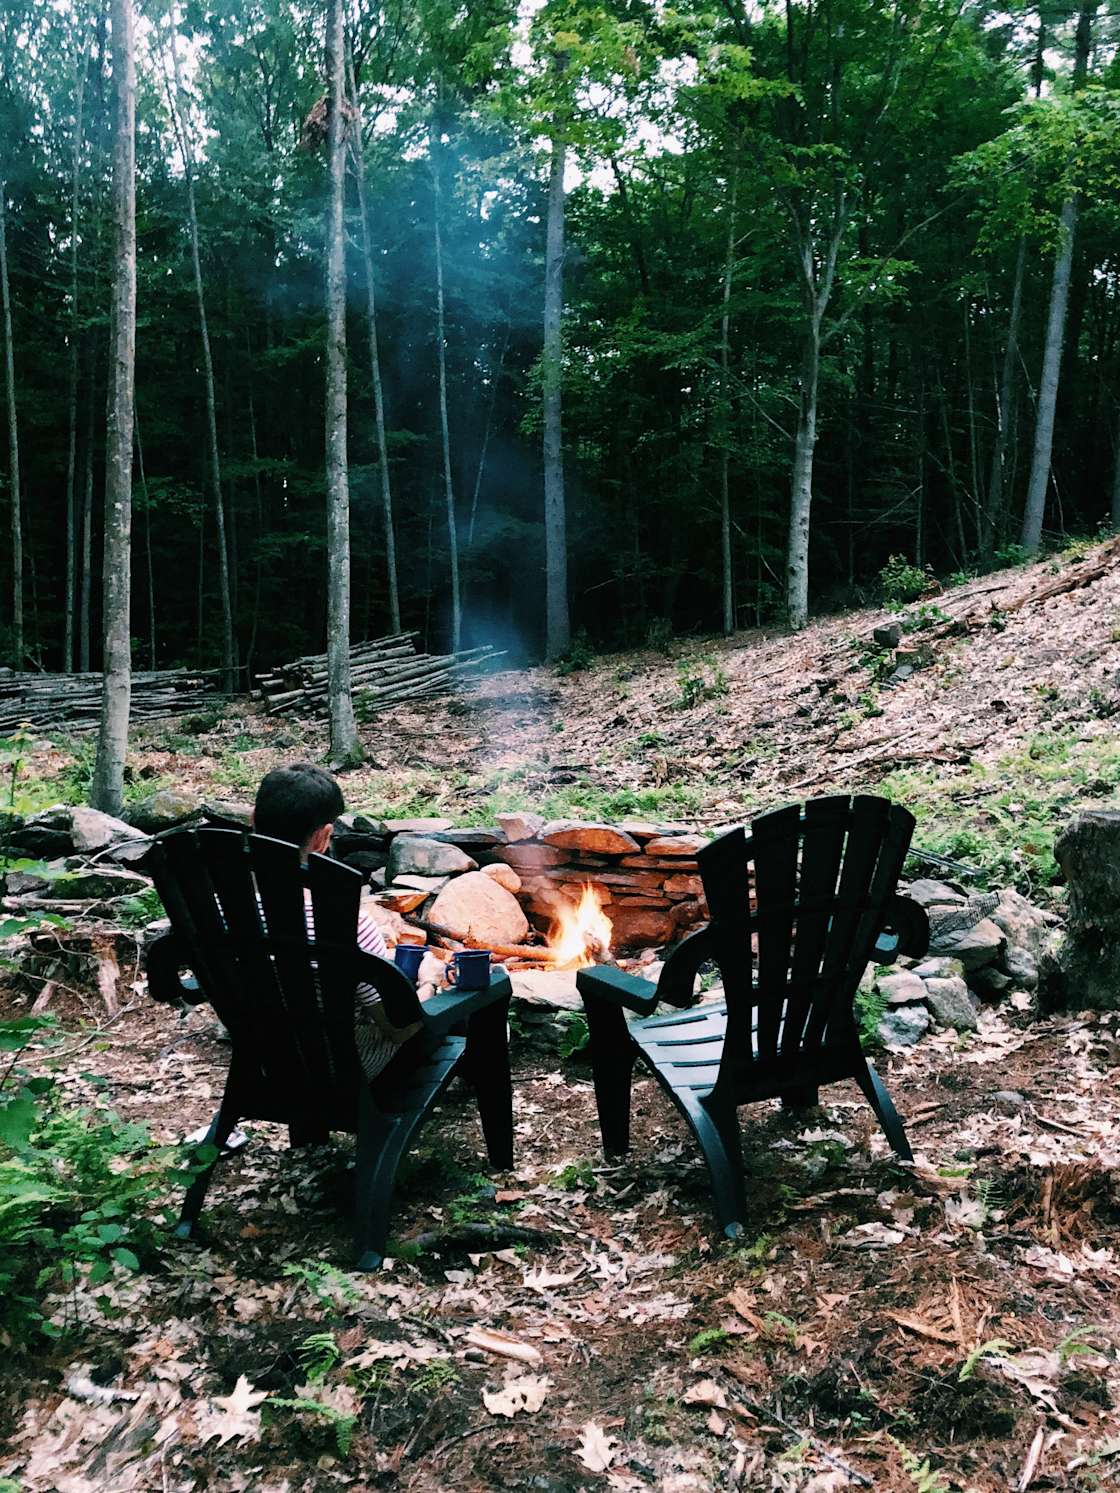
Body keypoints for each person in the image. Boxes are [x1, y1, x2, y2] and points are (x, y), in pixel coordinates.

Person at [252, 762, 417, 1082]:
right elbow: (395, 1028)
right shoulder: (347, 923)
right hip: (340, 1068)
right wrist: (430, 983)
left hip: (265, 1061)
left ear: (253, 821)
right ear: (323, 838)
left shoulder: (223, 911)